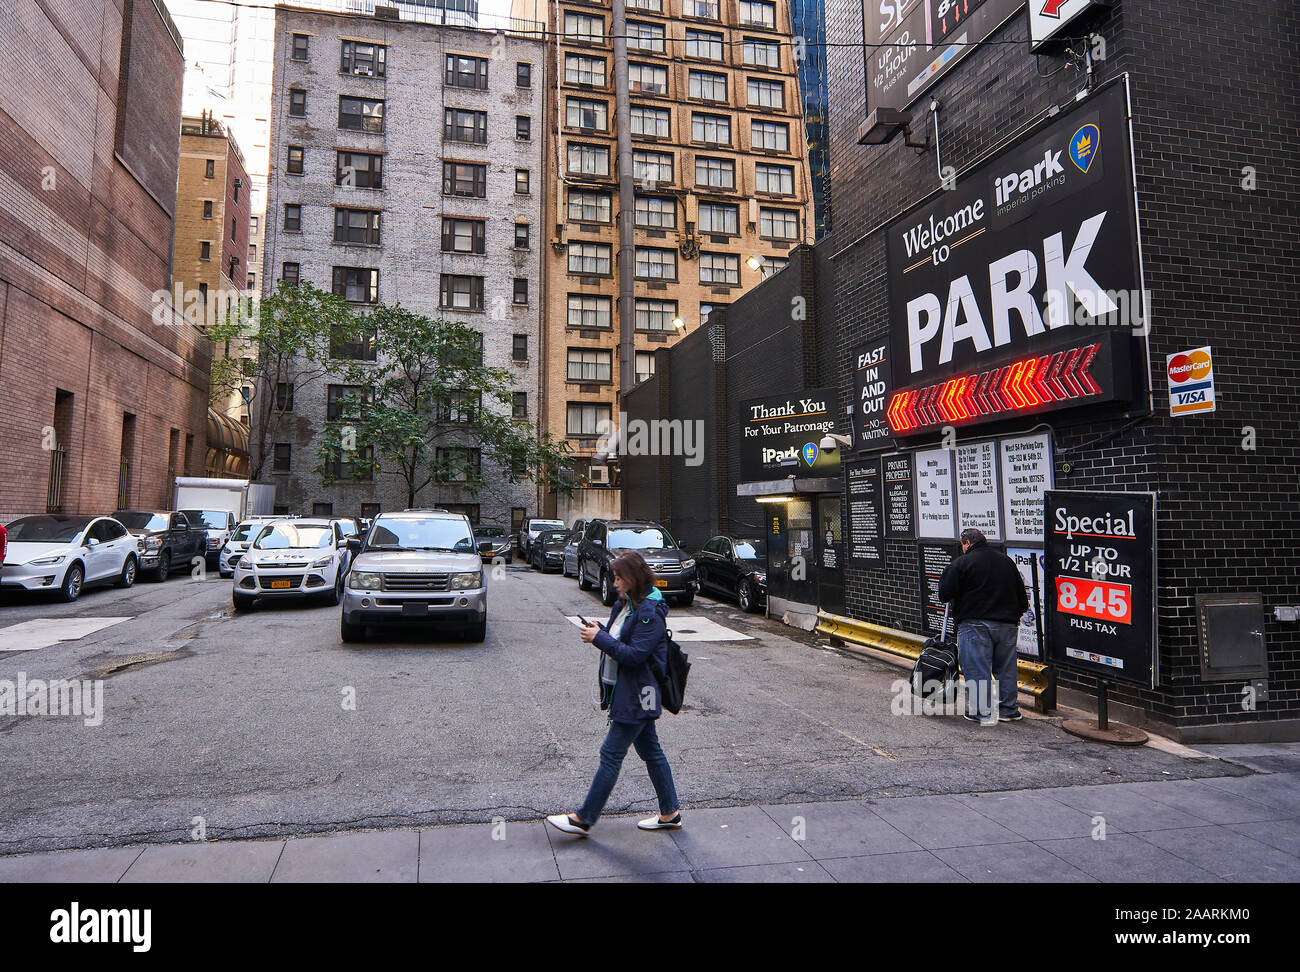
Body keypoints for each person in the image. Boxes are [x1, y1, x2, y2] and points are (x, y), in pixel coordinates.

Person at [547, 551, 682, 836]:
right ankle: (670, 812)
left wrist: (600, 638)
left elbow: (634, 656)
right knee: (651, 752)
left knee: (610, 754)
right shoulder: (626, 603)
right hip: (630, 691)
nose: (615, 581)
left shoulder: (649, 613)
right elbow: (618, 638)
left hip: (637, 694)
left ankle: (583, 819)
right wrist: (601, 631)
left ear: (633, 578)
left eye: (620, 577)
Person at [938, 528, 1029, 725]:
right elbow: (1022, 595)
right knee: (1006, 668)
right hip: (1007, 624)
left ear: (967, 543)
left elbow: (945, 593)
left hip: (974, 624)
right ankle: (1009, 710)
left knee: (977, 668)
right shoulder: (1007, 562)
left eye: (962, 545)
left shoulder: (962, 563)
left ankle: (982, 711)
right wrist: (1018, 613)